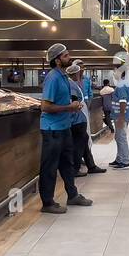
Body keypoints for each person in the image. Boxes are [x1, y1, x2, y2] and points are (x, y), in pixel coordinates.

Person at [38, 42, 93, 215]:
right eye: (66, 56)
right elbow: (45, 107)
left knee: (67, 164)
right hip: (52, 129)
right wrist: (69, 107)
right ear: (57, 60)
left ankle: (73, 195)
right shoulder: (53, 78)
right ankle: (47, 202)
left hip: (64, 127)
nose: (69, 58)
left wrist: (70, 105)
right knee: (50, 167)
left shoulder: (63, 77)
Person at [68, 60, 104, 176]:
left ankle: (90, 165)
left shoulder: (84, 81)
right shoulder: (70, 84)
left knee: (84, 140)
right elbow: (73, 101)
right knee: (80, 142)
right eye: (79, 69)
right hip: (76, 118)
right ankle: (75, 169)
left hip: (82, 115)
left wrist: (86, 105)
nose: (81, 71)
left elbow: (88, 94)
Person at [110, 51, 129, 168]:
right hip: (124, 115)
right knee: (118, 137)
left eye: (115, 70)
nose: (113, 72)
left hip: (122, 116)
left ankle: (125, 161)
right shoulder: (126, 81)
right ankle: (119, 158)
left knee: (121, 137)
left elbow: (123, 101)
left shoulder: (121, 83)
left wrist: (121, 117)